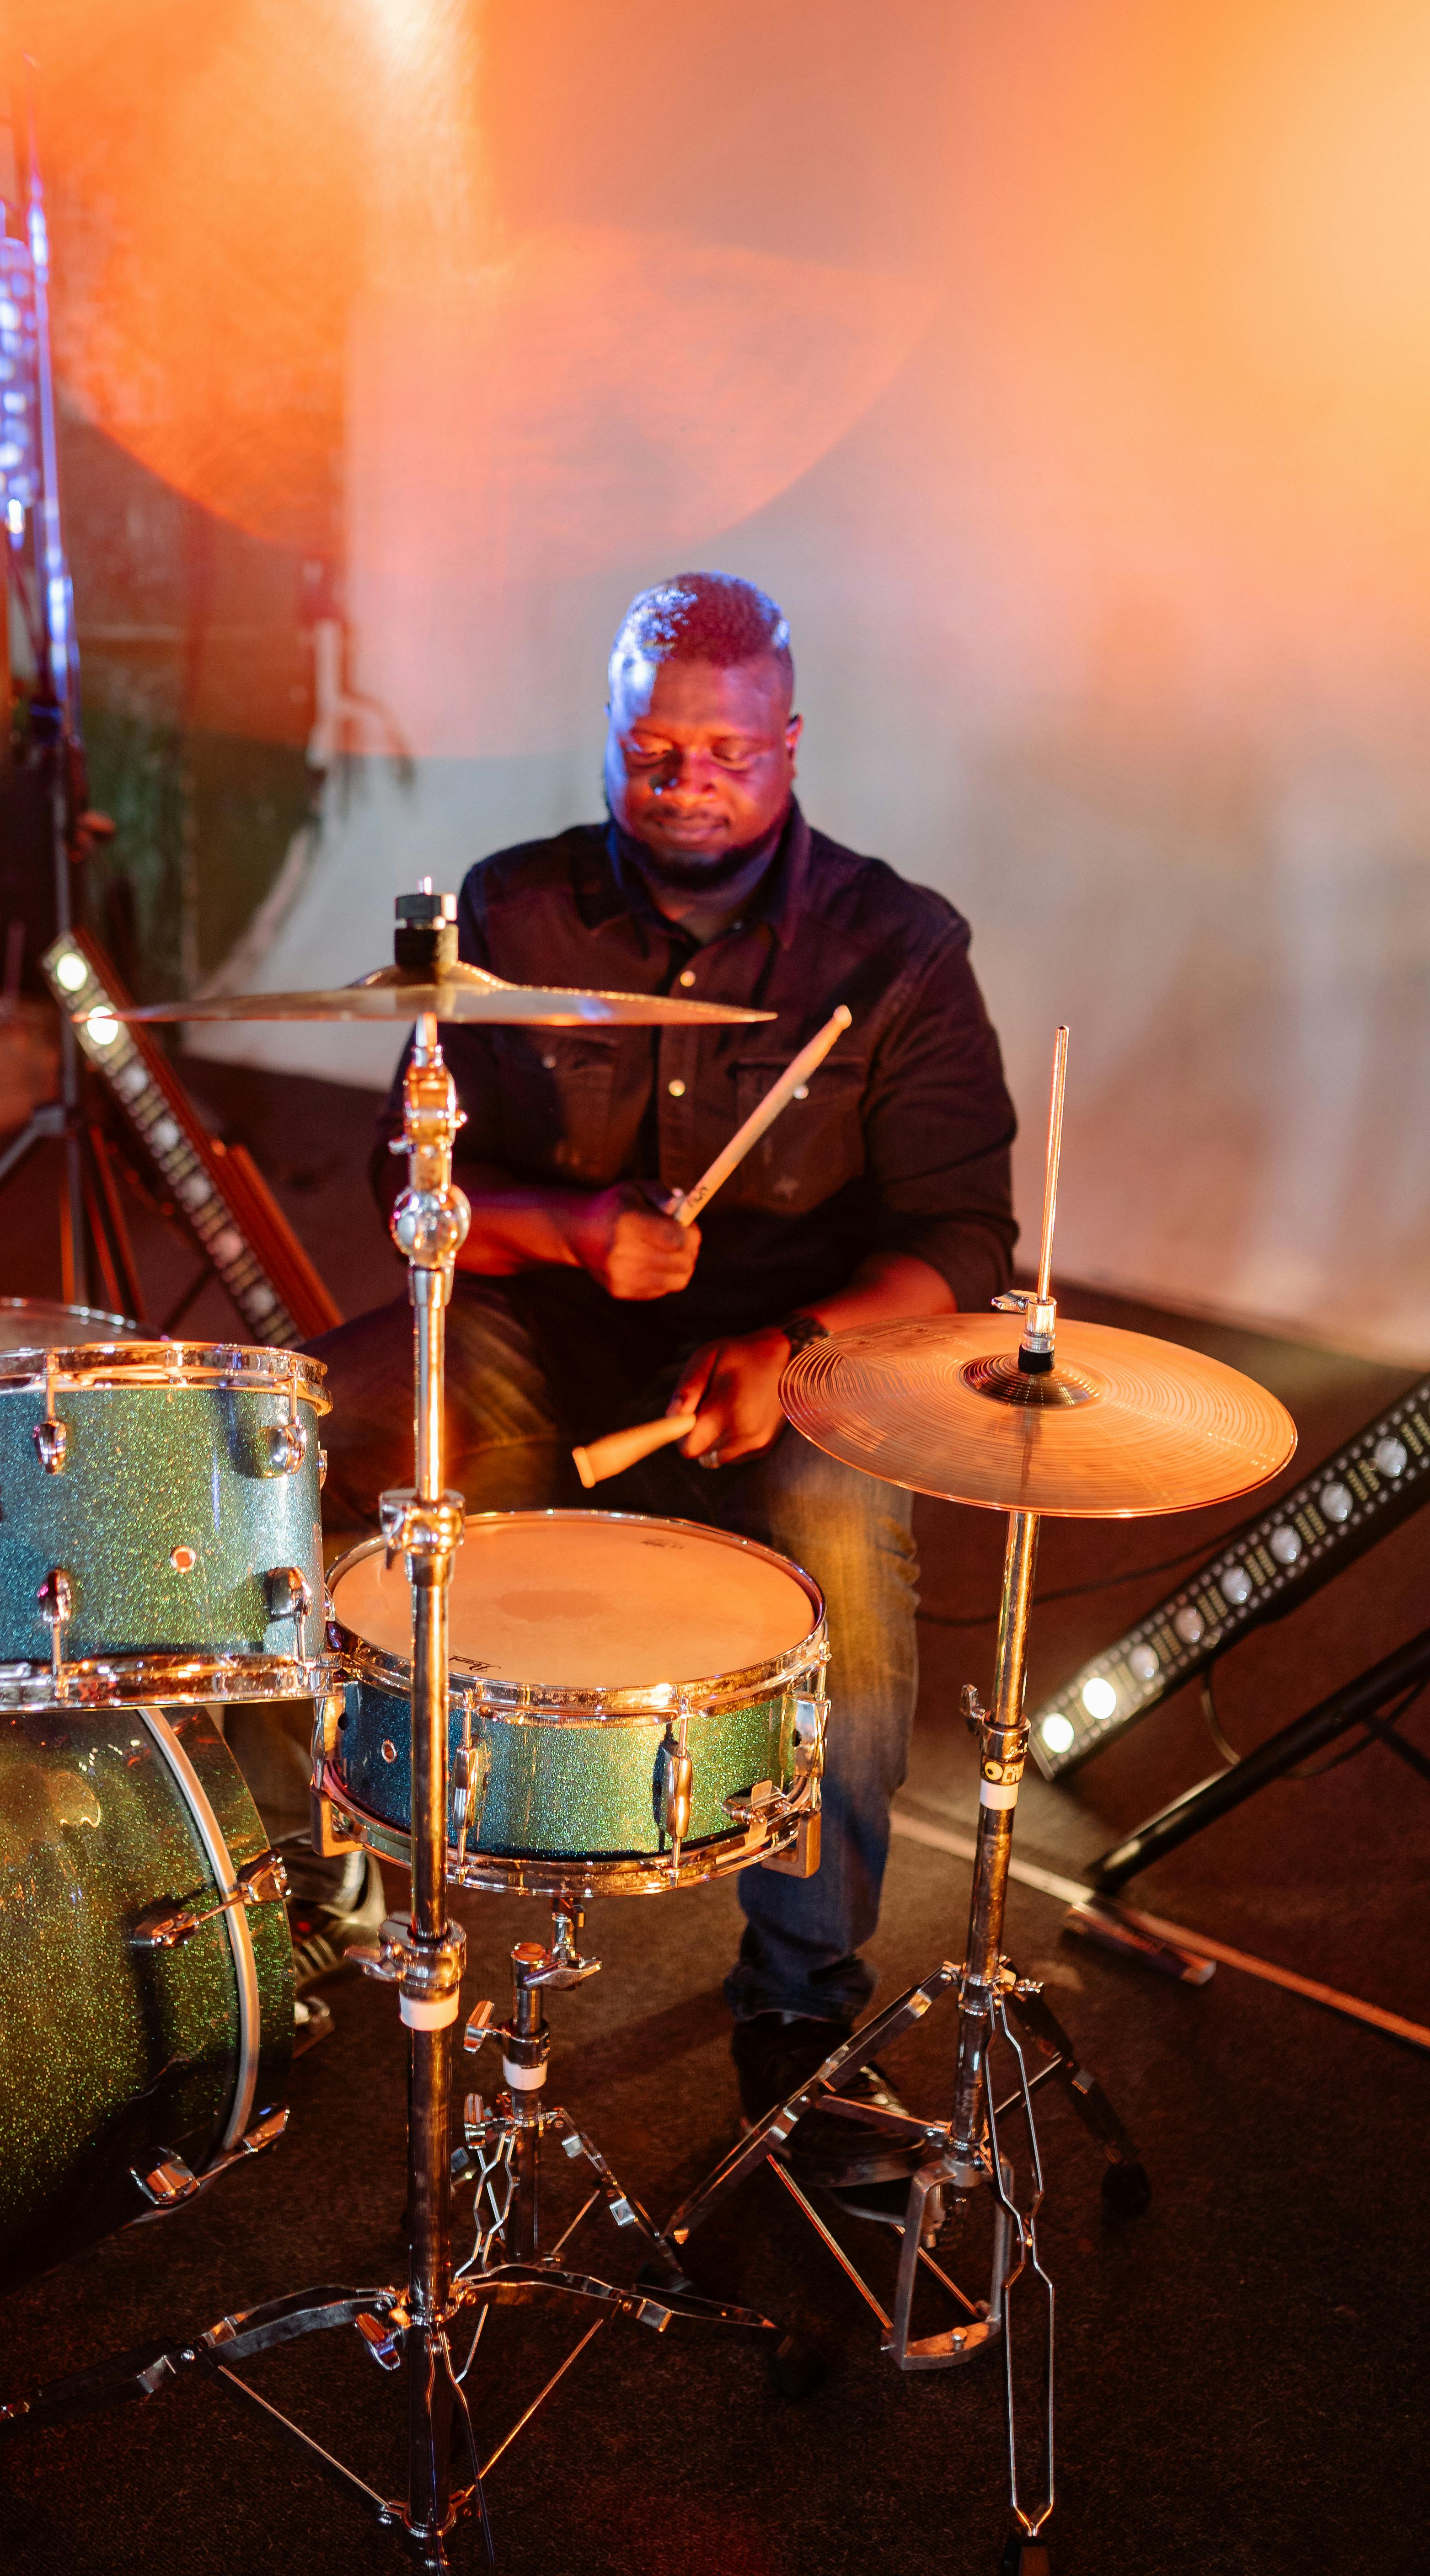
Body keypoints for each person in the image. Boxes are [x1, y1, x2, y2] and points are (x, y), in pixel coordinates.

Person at [310, 571, 1017, 2196]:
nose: (689, 780)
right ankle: (348, 1874)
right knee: (320, 1428)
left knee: (841, 1547)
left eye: (725, 751)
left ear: (789, 741)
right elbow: (416, 1190)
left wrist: (790, 1346)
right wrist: (569, 1229)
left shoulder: (897, 947)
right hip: (555, 1329)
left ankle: (798, 1999)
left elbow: (963, 1236)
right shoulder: (512, 910)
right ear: (612, 737)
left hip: (803, 1357)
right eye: (654, 749)